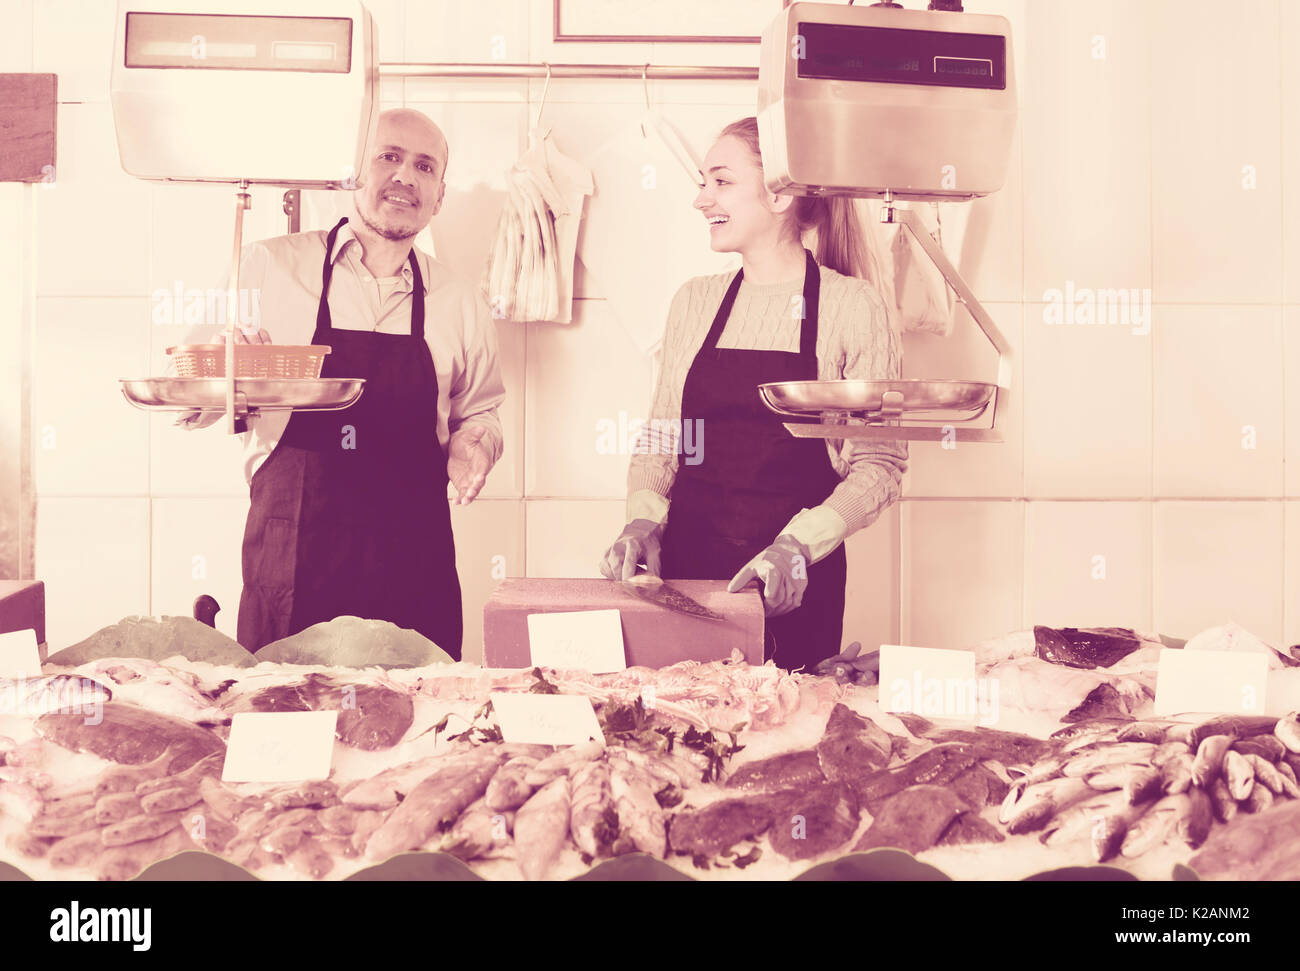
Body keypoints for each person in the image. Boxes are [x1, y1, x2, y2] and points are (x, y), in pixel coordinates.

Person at [180, 108, 505, 660]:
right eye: (389, 157)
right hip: (294, 556)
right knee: (282, 721)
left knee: (422, 730)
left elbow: (481, 412)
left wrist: (476, 445)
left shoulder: (459, 300)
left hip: (412, 563)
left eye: (424, 166)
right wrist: (227, 366)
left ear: (439, 195)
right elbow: (189, 396)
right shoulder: (267, 266)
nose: (405, 176)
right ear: (354, 169)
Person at [599, 116, 907, 671]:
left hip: (793, 585)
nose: (700, 199)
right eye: (703, 181)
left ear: (779, 193)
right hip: (687, 577)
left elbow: (879, 465)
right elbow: (666, 436)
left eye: (720, 181)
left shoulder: (853, 306)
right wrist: (643, 520)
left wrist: (798, 546)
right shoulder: (694, 301)